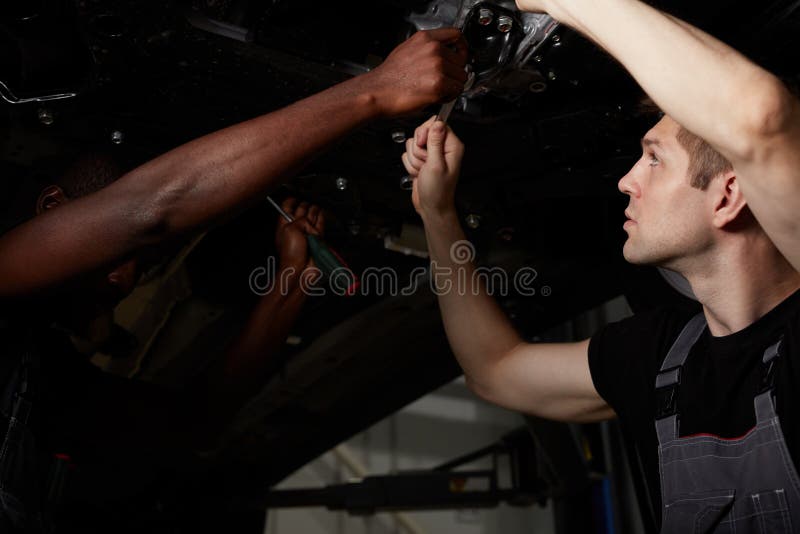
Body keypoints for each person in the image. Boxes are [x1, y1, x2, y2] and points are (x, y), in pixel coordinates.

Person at [0, 28, 468, 532]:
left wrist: (290, 282)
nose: (129, 275)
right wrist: (376, 90)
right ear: (52, 208)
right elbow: (147, 213)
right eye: (123, 254)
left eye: (147, 261)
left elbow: (197, 419)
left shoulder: (39, 374)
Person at [402, 1, 800, 532]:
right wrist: (436, 214)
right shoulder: (661, 359)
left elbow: (760, 117)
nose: (625, 181)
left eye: (654, 159)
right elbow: (496, 370)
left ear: (729, 195)